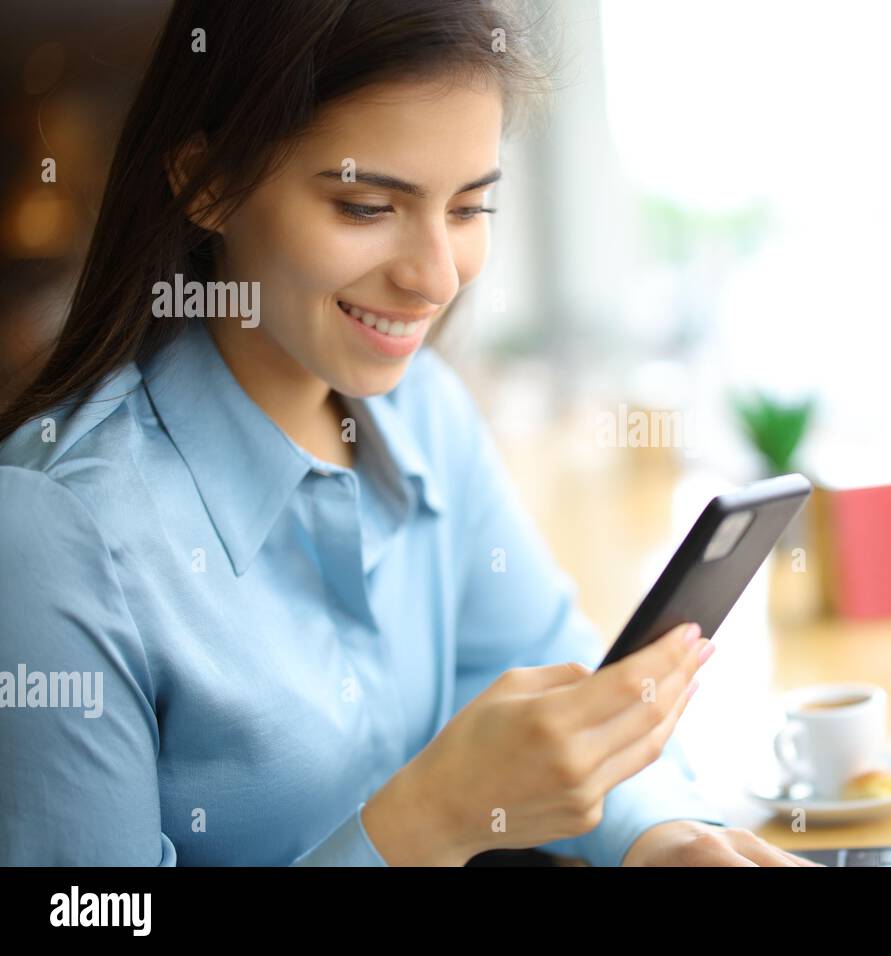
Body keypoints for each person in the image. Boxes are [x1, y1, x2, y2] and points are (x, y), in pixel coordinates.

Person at [0, 0, 817, 867]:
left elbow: (541, 665)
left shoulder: (423, 410)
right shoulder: (52, 532)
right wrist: (423, 824)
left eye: (468, 209)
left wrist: (665, 840)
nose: (436, 278)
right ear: (208, 183)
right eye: (364, 206)